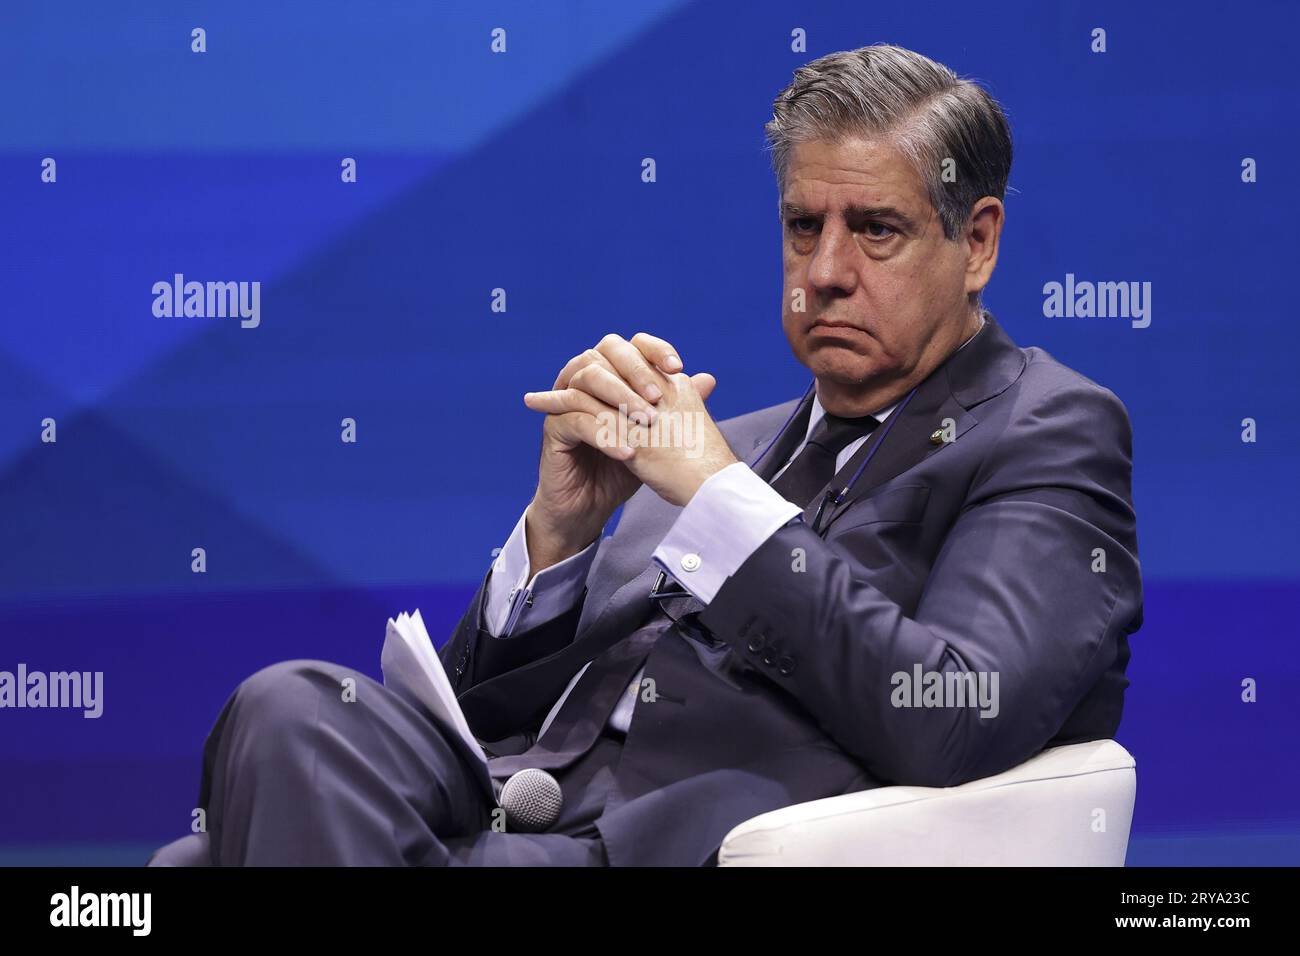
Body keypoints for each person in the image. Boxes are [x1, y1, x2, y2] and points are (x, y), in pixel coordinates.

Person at [148, 43, 1141, 867]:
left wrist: (715, 495)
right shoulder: (738, 436)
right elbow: (494, 712)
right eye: (803, 227)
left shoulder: (1044, 429)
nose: (826, 272)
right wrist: (561, 535)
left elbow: (955, 709)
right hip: (514, 794)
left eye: (874, 230)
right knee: (292, 709)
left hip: (657, 843)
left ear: (977, 242)